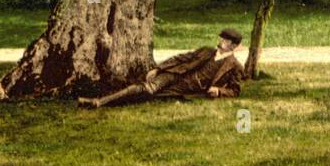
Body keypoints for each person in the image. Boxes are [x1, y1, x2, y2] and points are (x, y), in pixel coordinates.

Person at [78, 28, 246, 109]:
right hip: (174, 75)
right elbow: (180, 58)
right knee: (147, 89)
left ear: (232, 45)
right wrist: (158, 69)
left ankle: (101, 101)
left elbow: (235, 90)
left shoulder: (235, 66)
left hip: (187, 89)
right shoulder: (207, 50)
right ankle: (98, 102)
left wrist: (219, 91)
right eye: (221, 38)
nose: (220, 41)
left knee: (145, 95)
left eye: (224, 40)